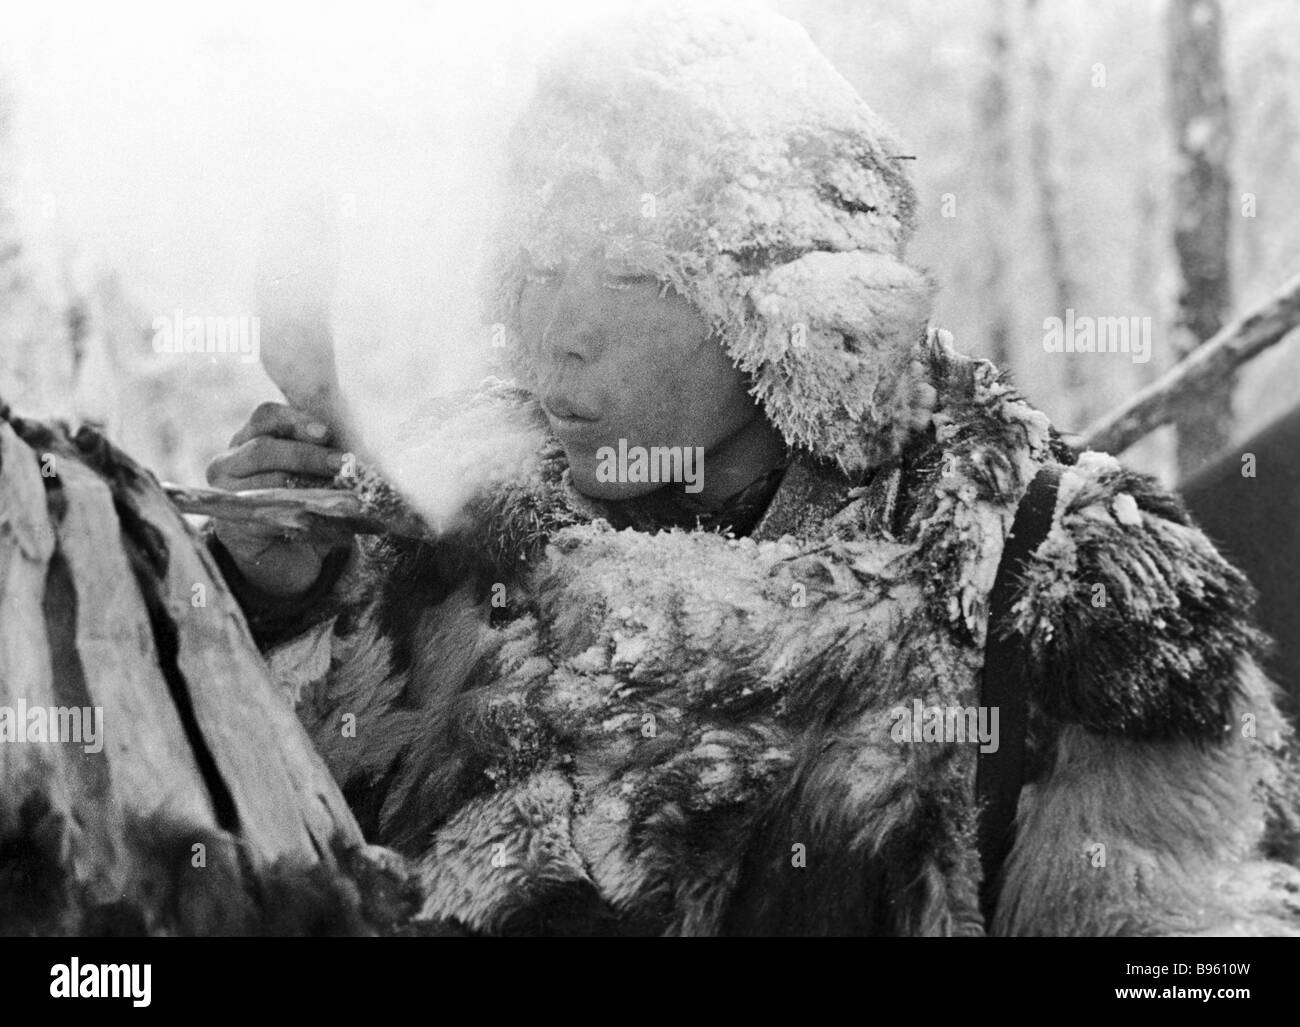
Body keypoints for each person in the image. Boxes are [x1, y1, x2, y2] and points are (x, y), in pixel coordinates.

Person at [205, 3, 1300, 935]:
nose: (557, 333)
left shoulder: (1059, 580)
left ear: (784, 308)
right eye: (536, 267)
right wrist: (273, 595)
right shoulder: (449, 507)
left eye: (628, 272)